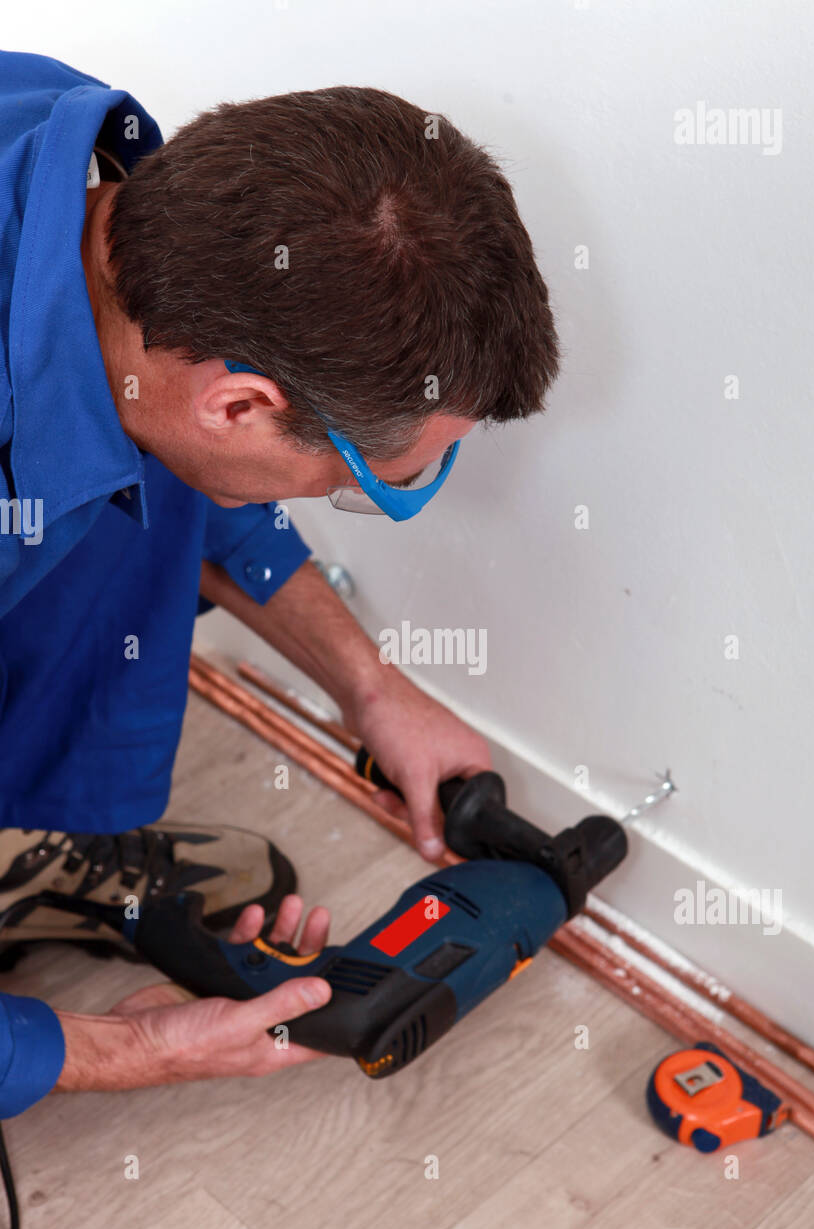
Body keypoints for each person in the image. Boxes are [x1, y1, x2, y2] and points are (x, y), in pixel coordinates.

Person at [0, 51, 560, 1116]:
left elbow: (177, 467)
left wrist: (369, 686)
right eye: (369, 483)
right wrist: (122, 1048)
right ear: (243, 406)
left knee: (125, 457)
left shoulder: (95, 213)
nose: (345, 498)